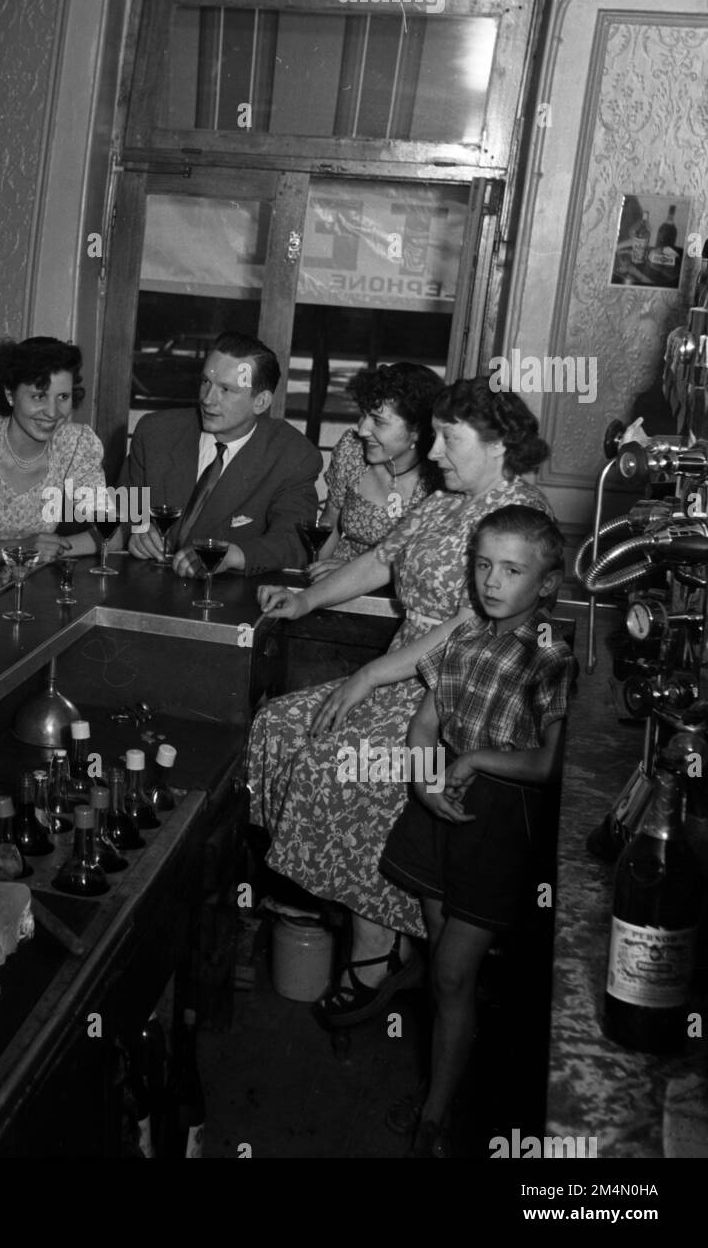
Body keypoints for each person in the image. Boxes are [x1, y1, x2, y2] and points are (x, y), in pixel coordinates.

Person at [249, 378, 555, 1028]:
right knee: (279, 727)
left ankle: (377, 947)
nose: (435, 451)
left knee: (348, 766)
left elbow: (466, 629)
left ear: (496, 443)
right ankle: (369, 925)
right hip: (402, 668)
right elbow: (383, 560)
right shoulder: (448, 498)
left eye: (450, 438)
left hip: (453, 693)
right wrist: (307, 598)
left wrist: (366, 680)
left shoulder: (520, 511)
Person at [379, 505, 573, 1155]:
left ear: (546, 583)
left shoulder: (550, 656)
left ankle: (437, 1109)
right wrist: (426, 779)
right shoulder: (461, 637)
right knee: (443, 967)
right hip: (443, 806)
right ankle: (450, 1078)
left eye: (512, 570)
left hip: (501, 820)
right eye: (483, 565)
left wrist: (476, 759)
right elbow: (424, 726)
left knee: (455, 973)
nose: (492, 581)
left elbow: (549, 763)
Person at [122, 331, 321, 576]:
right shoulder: (156, 432)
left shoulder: (293, 456)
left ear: (260, 402)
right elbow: (122, 508)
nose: (207, 399)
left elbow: (294, 542)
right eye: (206, 382)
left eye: (226, 390)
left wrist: (236, 554)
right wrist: (136, 530)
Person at [0, 336, 103, 601]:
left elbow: (111, 533)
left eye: (62, 396)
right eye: (38, 396)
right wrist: (22, 549)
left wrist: (47, 550)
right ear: (9, 393)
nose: (52, 412)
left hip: (33, 597)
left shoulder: (75, 443)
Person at [308, 362, 443, 577]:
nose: (362, 430)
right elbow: (329, 524)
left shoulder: (440, 482)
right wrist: (314, 580)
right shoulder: (352, 452)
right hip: (335, 579)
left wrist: (353, 573)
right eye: (363, 414)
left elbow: (427, 570)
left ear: (417, 430)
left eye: (378, 421)